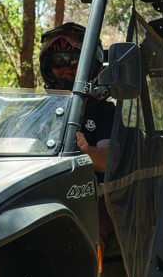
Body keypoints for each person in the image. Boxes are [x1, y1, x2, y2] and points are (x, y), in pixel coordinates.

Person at [39, 21, 115, 174]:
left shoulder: (104, 111)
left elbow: (108, 161)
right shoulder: (37, 109)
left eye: (75, 61)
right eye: (58, 61)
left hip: (85, 192)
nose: (66, 68)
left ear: (91, 66)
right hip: (36, 186)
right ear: (48, 67)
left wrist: (85, 150)